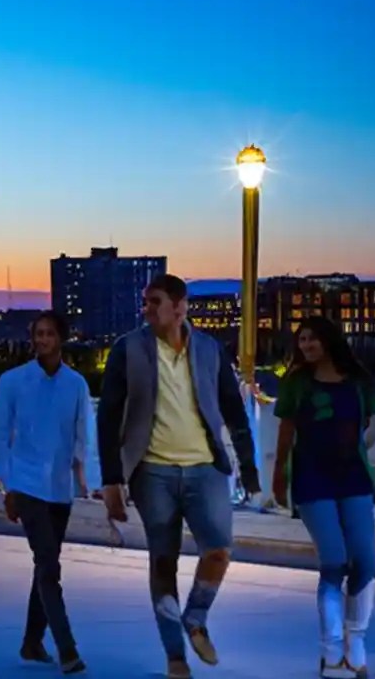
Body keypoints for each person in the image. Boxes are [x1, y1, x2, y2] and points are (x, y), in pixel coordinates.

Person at [97, 274, 261, 679]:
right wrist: (111, 480)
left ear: (180, 306)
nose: (147, 309)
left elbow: (233, 409)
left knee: (219, 549)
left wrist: (249, 466)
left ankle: (196, 617)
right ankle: (175, 657)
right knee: (163, 562)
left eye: (155, 302)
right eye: (146, 302)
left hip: (205, 468)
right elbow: (109, 415)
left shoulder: (208, 349)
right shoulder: (128, 348)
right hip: (152, 471)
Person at [272, 316, 375, 679]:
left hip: (354, 478)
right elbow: (286, 430)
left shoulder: (359, 380)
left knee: (364, 561)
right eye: (301, 340)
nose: (306, 346)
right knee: (334, 561)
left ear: (328, 340)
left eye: (312, 339)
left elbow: (373, 424)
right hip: (311, 478)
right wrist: (278, 476)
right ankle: (331, 650)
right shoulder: (296, 383)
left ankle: (357, 643)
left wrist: (354, 449)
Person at [0, 311, 90, 674]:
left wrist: (88, 479)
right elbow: (1, 435)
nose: (42, 340)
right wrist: (7, 486)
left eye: (49, 334)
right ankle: (67, 648)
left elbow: (83, 433)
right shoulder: (12, 382)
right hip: (27, 484)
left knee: (44, 567)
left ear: (61, 339)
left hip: (60, 489)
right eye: (38, 334)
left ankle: (32, 642)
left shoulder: (76, 384)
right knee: (49, 565)